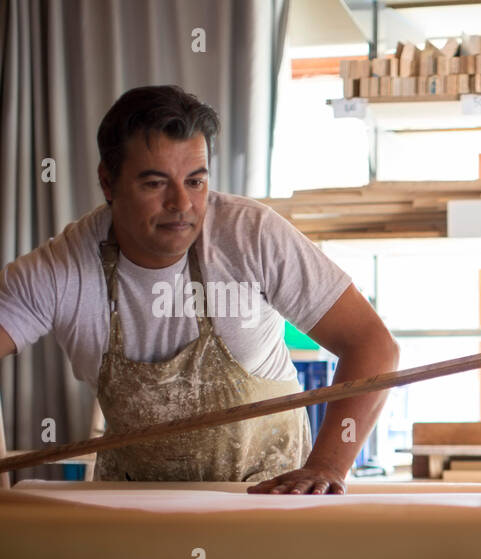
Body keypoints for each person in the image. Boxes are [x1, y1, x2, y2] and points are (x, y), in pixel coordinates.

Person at [0, 85, 399, 493]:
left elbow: (371, 345)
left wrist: (329, 466)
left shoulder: (251, 235)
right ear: (107, 181)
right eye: (155, 184)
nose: (182, 203)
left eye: (195, 181)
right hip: (137, 514)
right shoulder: (61, 269)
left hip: (270, 503)